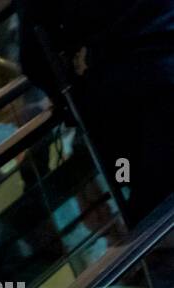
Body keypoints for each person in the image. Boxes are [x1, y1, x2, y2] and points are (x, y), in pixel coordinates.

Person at [17, 0, 174, 226]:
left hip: (129, 91)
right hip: (158, 63)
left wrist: (68, 94)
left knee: (153, 215)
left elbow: (33, 56)